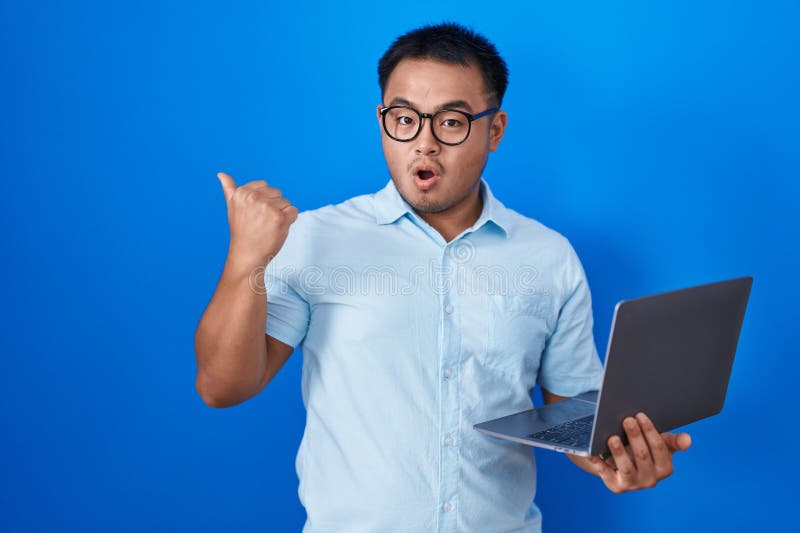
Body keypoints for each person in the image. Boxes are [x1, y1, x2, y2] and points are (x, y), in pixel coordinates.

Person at [194, 22, 692, 532]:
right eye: (404, 119)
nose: (424, 143)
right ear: (382, 120)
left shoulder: (549, 256)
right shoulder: (316, 238)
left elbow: (574, 414)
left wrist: (618, 455)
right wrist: (246, 259)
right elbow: (221, 387)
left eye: (451, 122)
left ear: (494, 130)